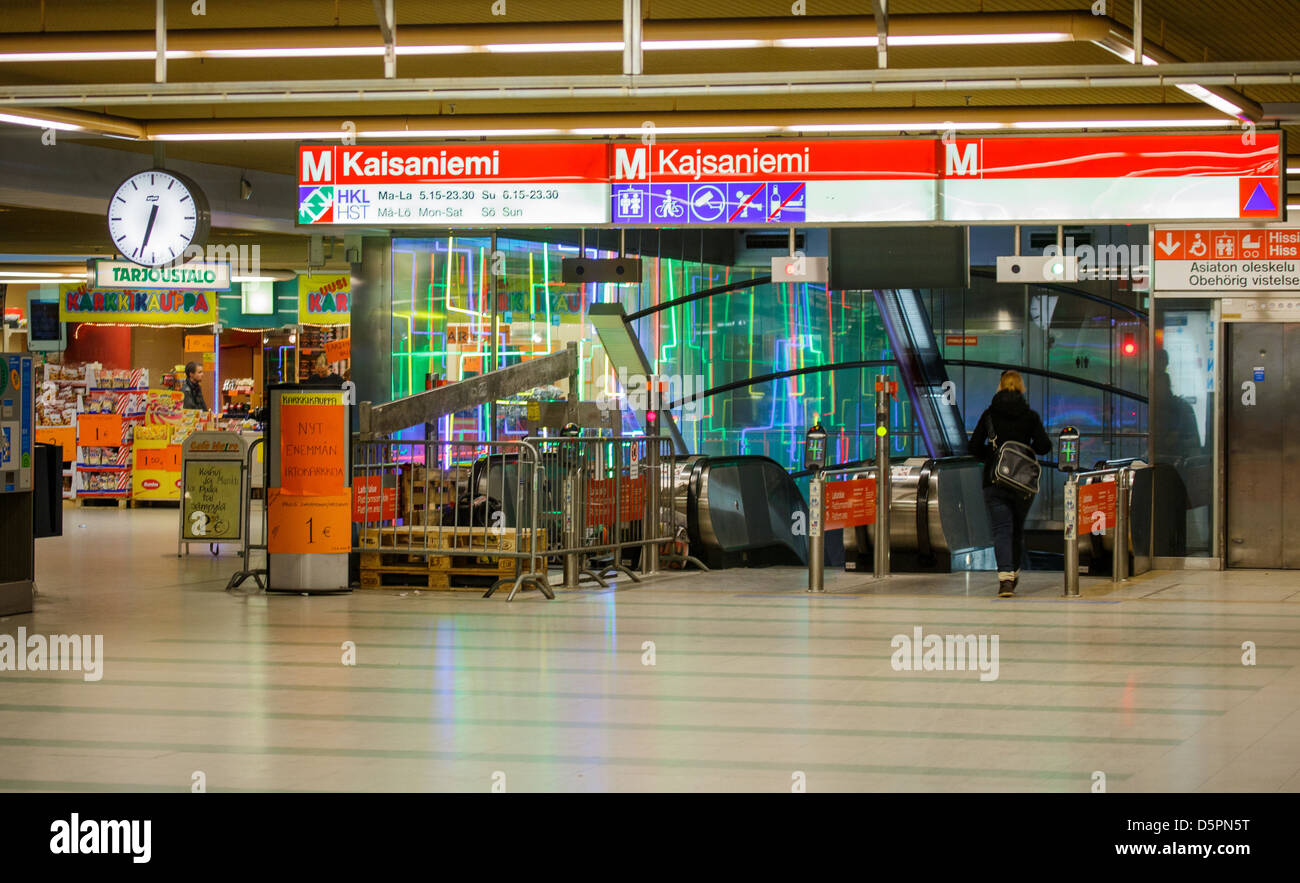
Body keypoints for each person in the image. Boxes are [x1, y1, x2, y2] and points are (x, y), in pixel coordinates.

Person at [968, 370, 1052, 598]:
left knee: (1001, 529)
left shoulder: (989, 415)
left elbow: (973, 447)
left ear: (1000, 386)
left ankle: (1005, 579)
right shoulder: (1030, 416)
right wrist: (1025, 449)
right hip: (1023, 484)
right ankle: (1013, 574)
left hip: (995, 481)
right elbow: (1045, 445)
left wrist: (994, 454)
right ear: (1021, 387)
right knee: (1016, 529)